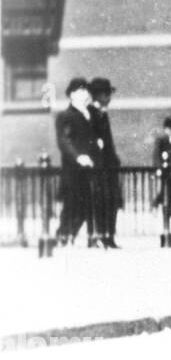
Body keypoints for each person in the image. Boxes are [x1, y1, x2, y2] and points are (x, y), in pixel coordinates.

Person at [55, 77, 99, 246]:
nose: (85, 93)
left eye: (86, 90)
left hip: (89, 169)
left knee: (86, 205)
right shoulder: (66, 115)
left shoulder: (89, 115)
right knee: (72, 204)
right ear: (72, 94)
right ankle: (63, 235)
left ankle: (74, 235)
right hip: (73, 169)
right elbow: (65, 140)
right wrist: (78, 156)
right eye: (80, 90)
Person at [88, 77, 122, 248]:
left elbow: (108, 142)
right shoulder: (90, 113)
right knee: (98, 201)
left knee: (111, 201)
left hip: (108, 167)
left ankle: (109, 236)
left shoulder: (103, 114)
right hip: (97, 168)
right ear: (98, 95)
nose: (109, 98)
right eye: (106, 94)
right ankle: (98, 235)